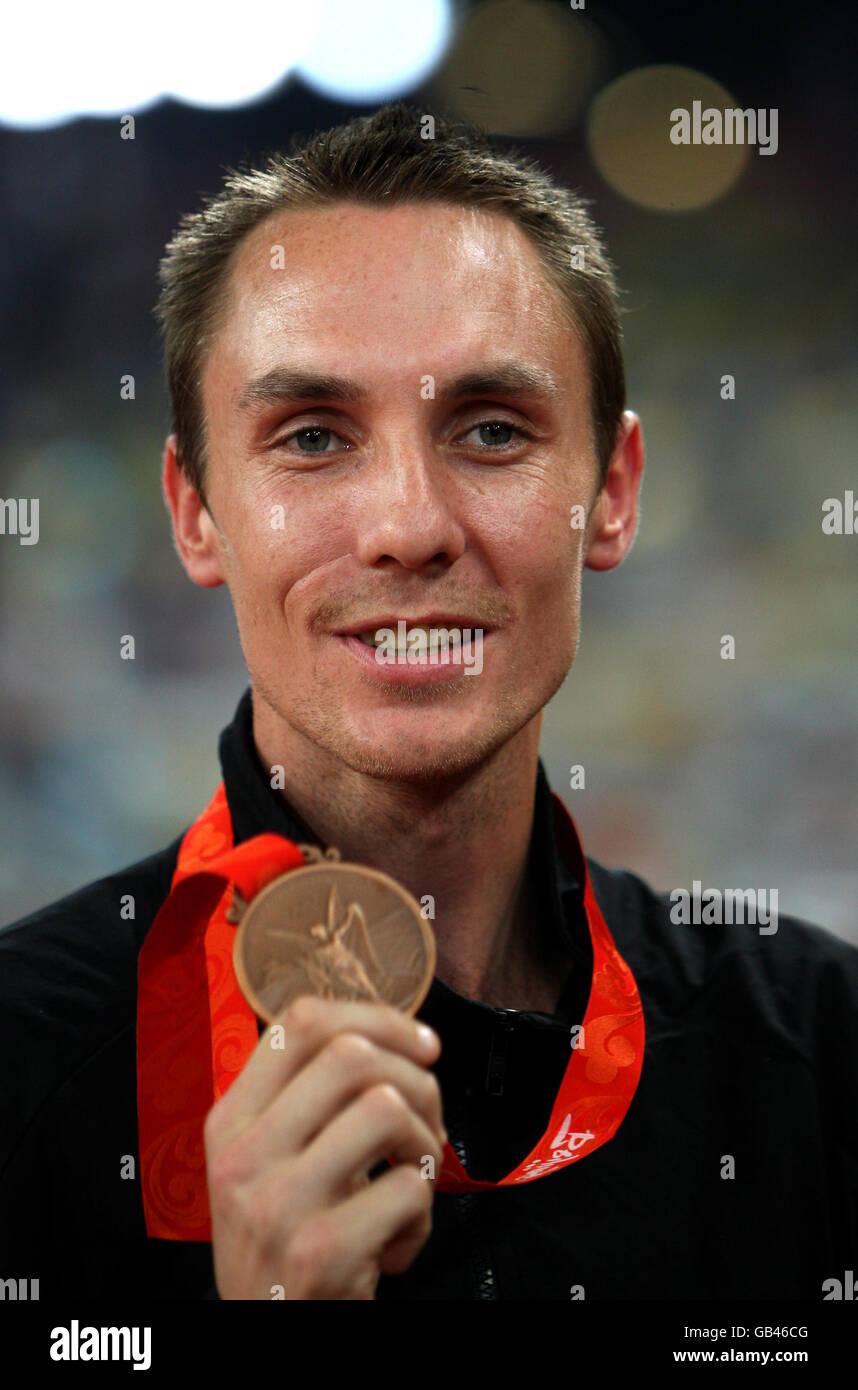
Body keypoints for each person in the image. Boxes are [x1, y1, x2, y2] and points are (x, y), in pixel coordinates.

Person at [1, 103, 855, 1303]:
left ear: (613, 492)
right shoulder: (22, 1063)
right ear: (195, 513)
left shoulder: (822, 1050)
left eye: (492, 430)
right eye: (312, 437)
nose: (409, 525)